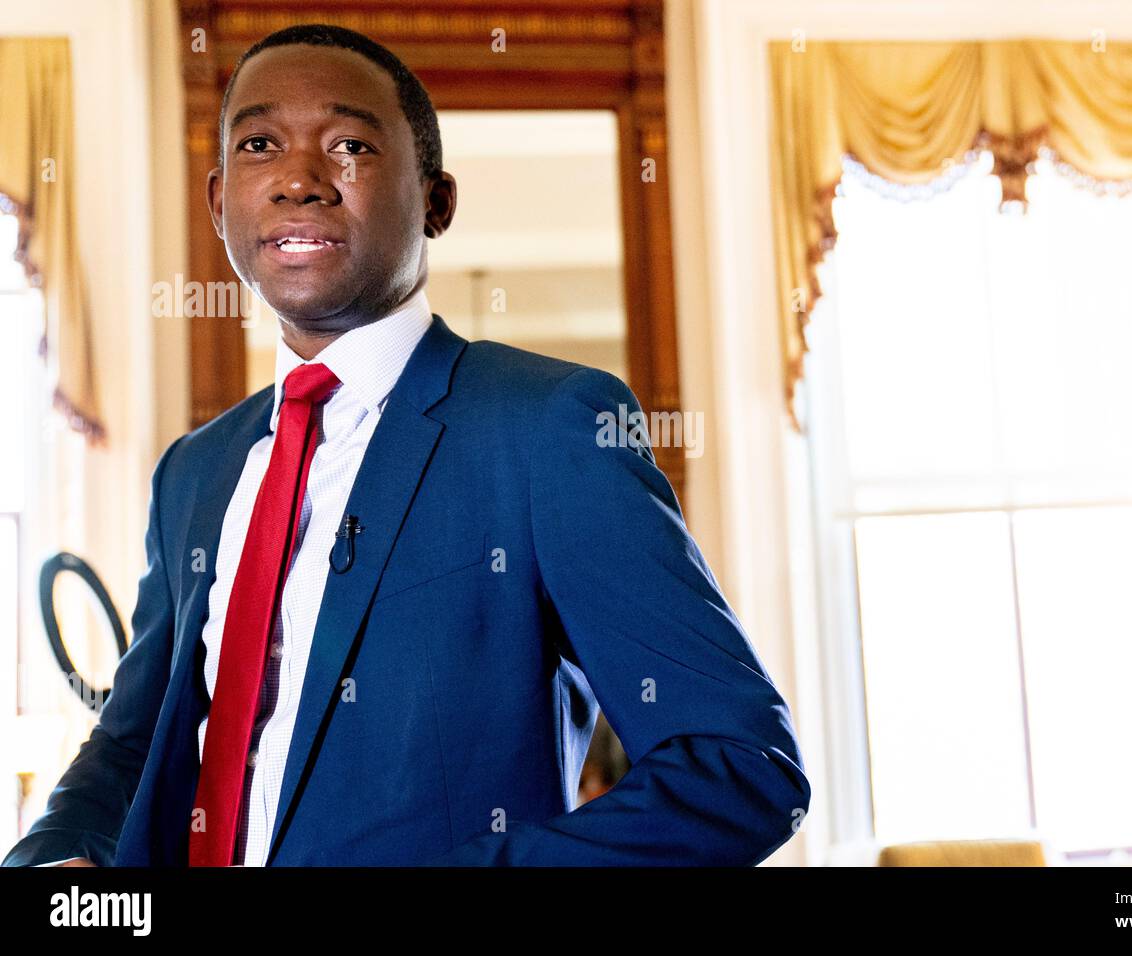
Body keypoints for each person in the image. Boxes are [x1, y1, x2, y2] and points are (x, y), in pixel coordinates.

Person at [4, 23, 810, 868]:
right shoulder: (193, 475)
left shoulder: (549, 427)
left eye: (349, 143)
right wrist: (49, 864)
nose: (298, 179)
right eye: (260, 144)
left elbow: (741, 767)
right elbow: (133, 747)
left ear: (436, 200)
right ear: (218, 202)